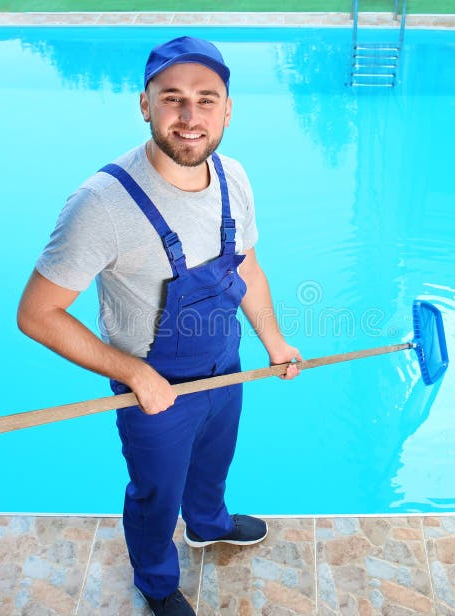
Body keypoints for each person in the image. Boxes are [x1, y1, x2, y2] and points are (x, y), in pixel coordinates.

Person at [17, 36, 302, 615]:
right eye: (172, 99)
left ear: (228, 109)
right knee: (155, 493)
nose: (190, 117)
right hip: (154, 388)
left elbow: (246, 263)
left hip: (225, 366)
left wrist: (272, 340)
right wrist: (134, 374)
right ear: (145, 104)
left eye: (206, 99)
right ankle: (154, 581)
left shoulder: (233, 178)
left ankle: (208, 525)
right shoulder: (101, 204)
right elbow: (36, 315)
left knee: (214, 461)